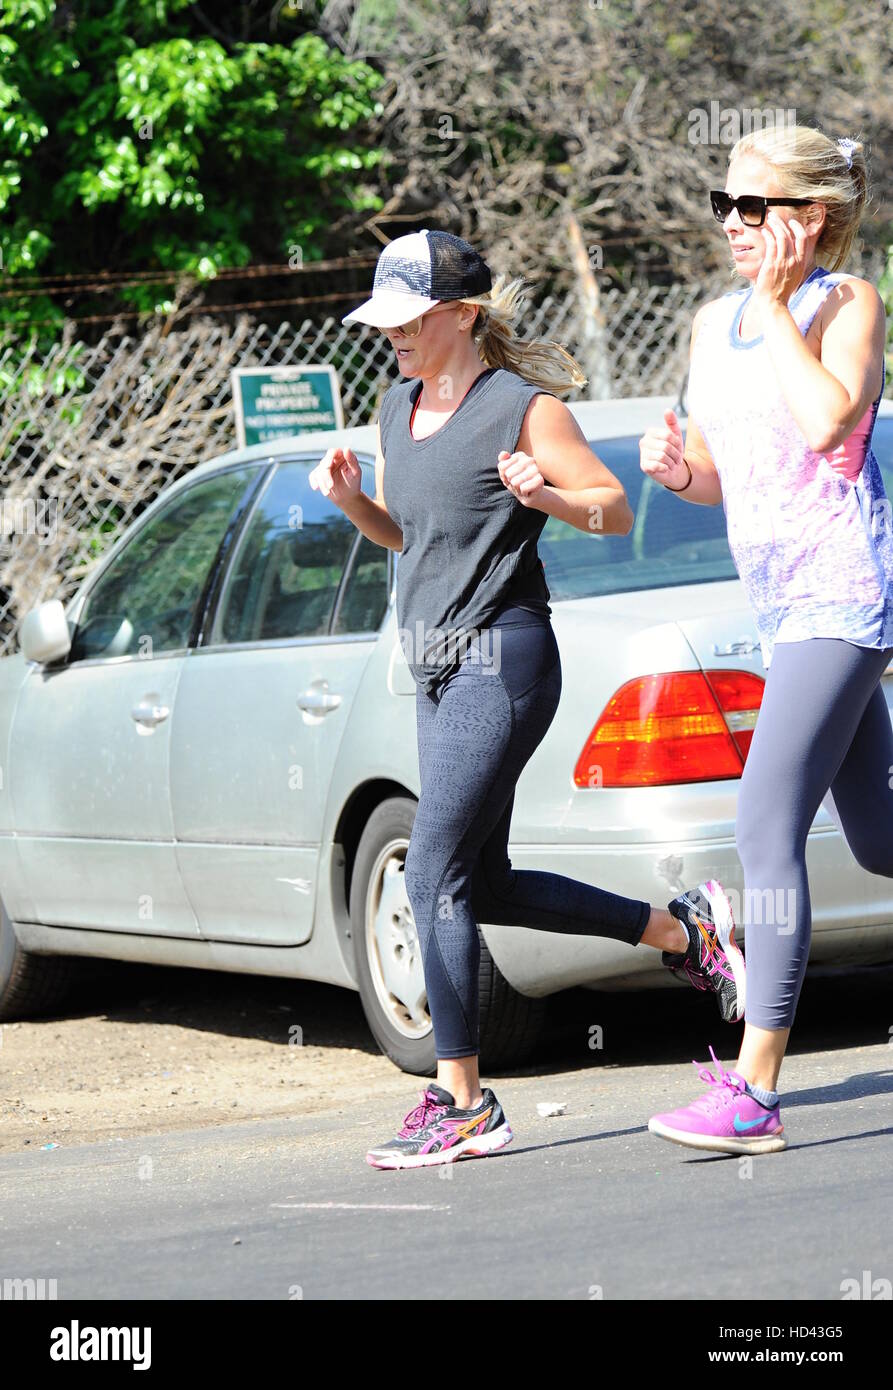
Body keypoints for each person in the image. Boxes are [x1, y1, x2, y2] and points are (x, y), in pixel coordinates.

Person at [313, 228, 745, 1170]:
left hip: (502, 660)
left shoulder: (522, 408)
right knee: (483, 880)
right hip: (432, 666)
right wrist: (352, 502)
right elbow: (412, 538)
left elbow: (614, 508)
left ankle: (463, 1101)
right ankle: (680, 929)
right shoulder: (396, 406)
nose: (391, 336)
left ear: (460, 315)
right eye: (383, 321)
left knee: (429, 871)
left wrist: (540, 492)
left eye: (409, 319)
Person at [640, 126, 893, 1155]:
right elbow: (722, 473)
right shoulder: (710, 324)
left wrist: (782, 308)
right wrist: (673, 471)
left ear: (809, 219)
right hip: (778, 603)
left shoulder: (848, 304)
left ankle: (752, 1090)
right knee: (877, 839)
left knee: (762, 829)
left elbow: (833, 422)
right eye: (724, 204)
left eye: (753, 206)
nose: (732, 224)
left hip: (844, 593)